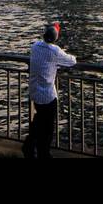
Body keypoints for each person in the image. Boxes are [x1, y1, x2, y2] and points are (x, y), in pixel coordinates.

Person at [22, 21, 76, 158]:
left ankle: (29, 146)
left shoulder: (35, 46)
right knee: (48, 126)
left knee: (39, 120)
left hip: (34, 91)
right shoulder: (55, 51)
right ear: (55, 38)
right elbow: (72, 61)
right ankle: (43, 152)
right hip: (48, 95)